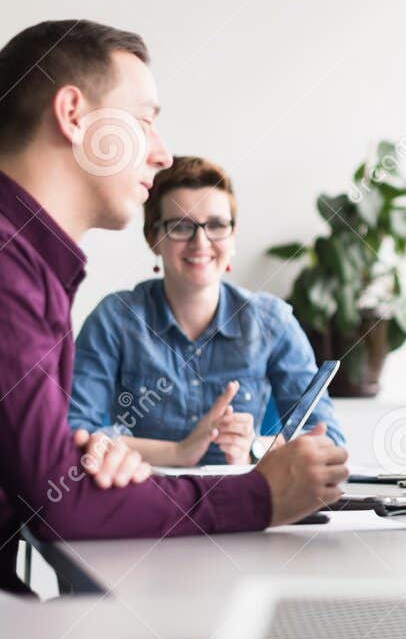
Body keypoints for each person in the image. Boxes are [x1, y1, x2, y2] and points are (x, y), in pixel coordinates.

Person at [0, 20, 347, 593]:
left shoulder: (3, 255)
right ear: (74, 116)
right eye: (145, 121)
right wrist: (262, 494)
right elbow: (62, 510)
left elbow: (50, 478)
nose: (162, 154)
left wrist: (83, 459)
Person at [69, 156, 343, 467]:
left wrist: (254, 447)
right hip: (144, 500)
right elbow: (76, 433)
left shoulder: (272, 322)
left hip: (247, 503)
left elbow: (327, 437)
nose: (200, 242)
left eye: (215, 225)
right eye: (181, 226)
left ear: (233, 235)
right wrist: (179, 452)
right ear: (153, 237)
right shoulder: (115, 319)